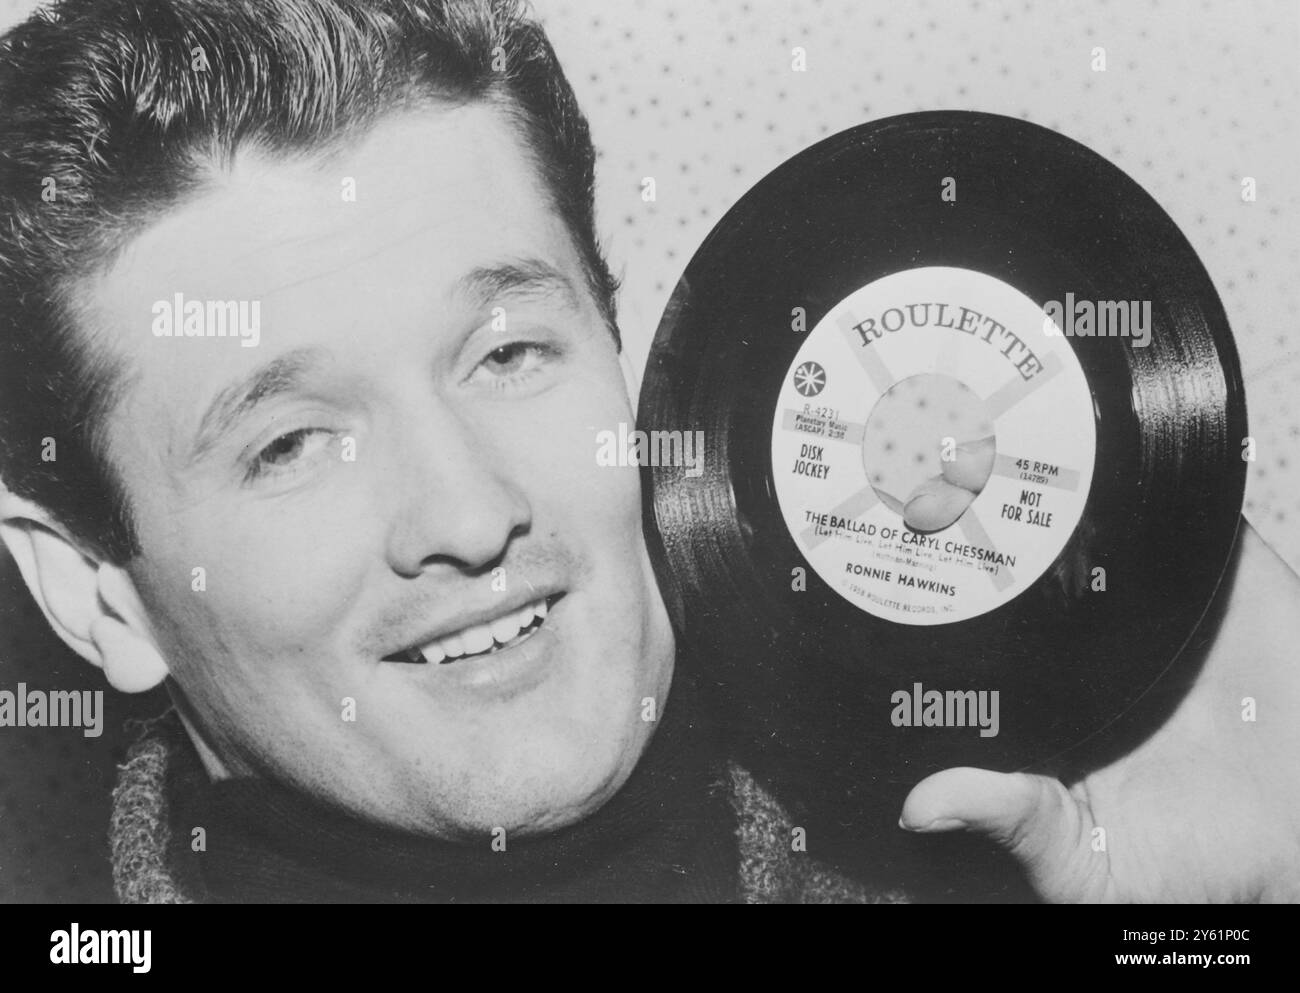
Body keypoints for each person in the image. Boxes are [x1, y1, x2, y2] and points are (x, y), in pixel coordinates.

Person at [0, 0, 1295, 903]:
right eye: (291, 442)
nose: (468, 508)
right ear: (95, 592)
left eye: (508, 354)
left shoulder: (1002, 855)